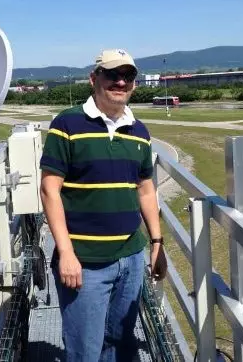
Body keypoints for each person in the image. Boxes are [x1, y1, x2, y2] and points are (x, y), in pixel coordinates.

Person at [39, 49, 167, 362]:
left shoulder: (140, 132)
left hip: (131, 259)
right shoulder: (67, 124)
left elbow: (146, 190)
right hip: (84, 262)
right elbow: (49, 190)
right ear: (94, 78)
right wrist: (66, 253)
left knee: (120, 342)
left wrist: (156, 243)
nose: (120, 81)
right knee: (85, 351)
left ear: (135, 84)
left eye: (128, 76)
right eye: (112, 74)